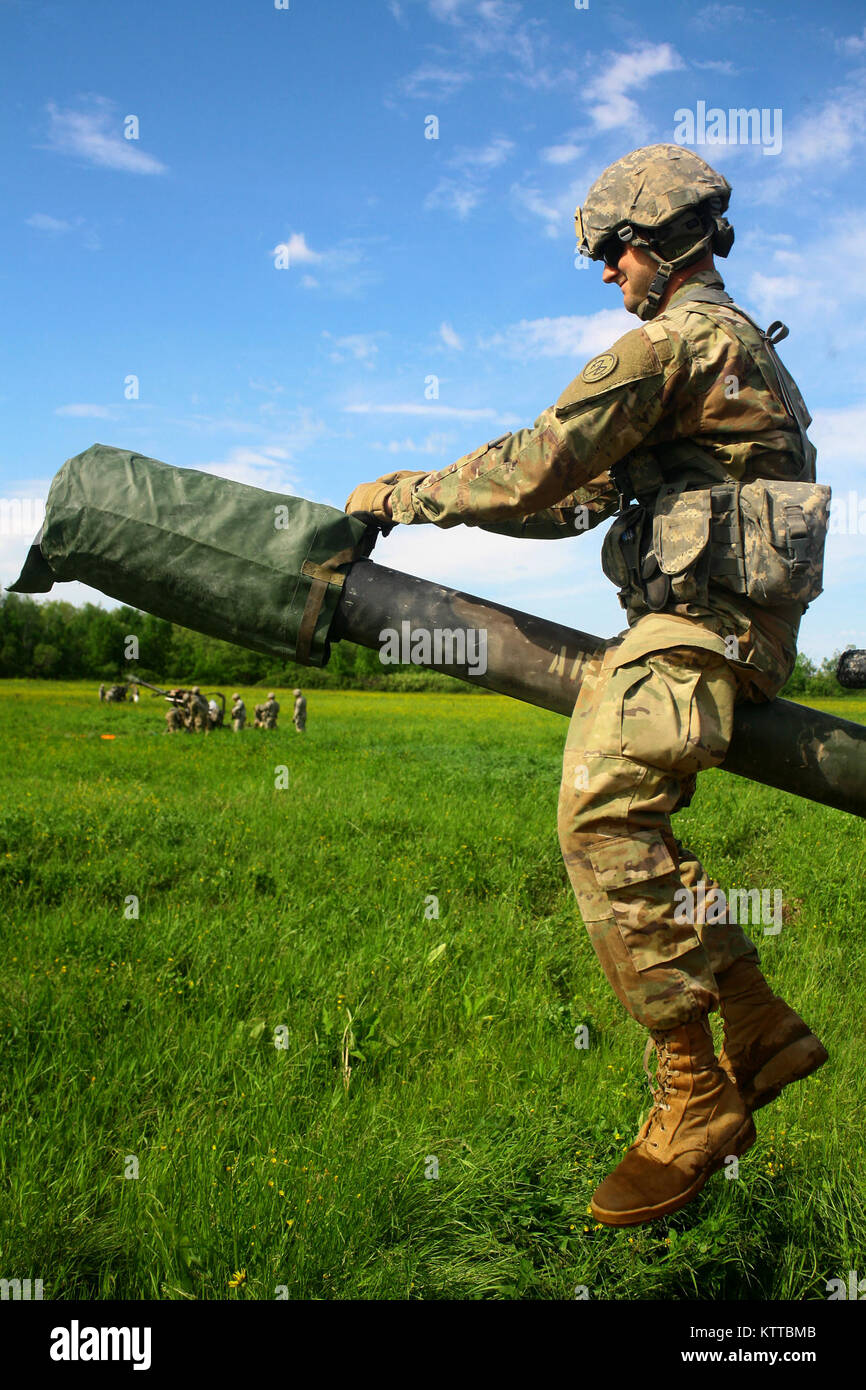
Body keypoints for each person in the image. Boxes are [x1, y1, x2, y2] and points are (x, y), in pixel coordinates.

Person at [344, 145, 829, 1228]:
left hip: (695, 631)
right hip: (722, 628)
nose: (608, 274)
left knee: (598, 815)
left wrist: (398, 493)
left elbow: (538, 459)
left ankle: (692, 1091)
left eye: (613, 253)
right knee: (643, 833)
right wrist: (455, 512)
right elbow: (564, 501)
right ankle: (754, 1020)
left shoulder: (672, 342)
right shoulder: (736, 352)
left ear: (658, 243)